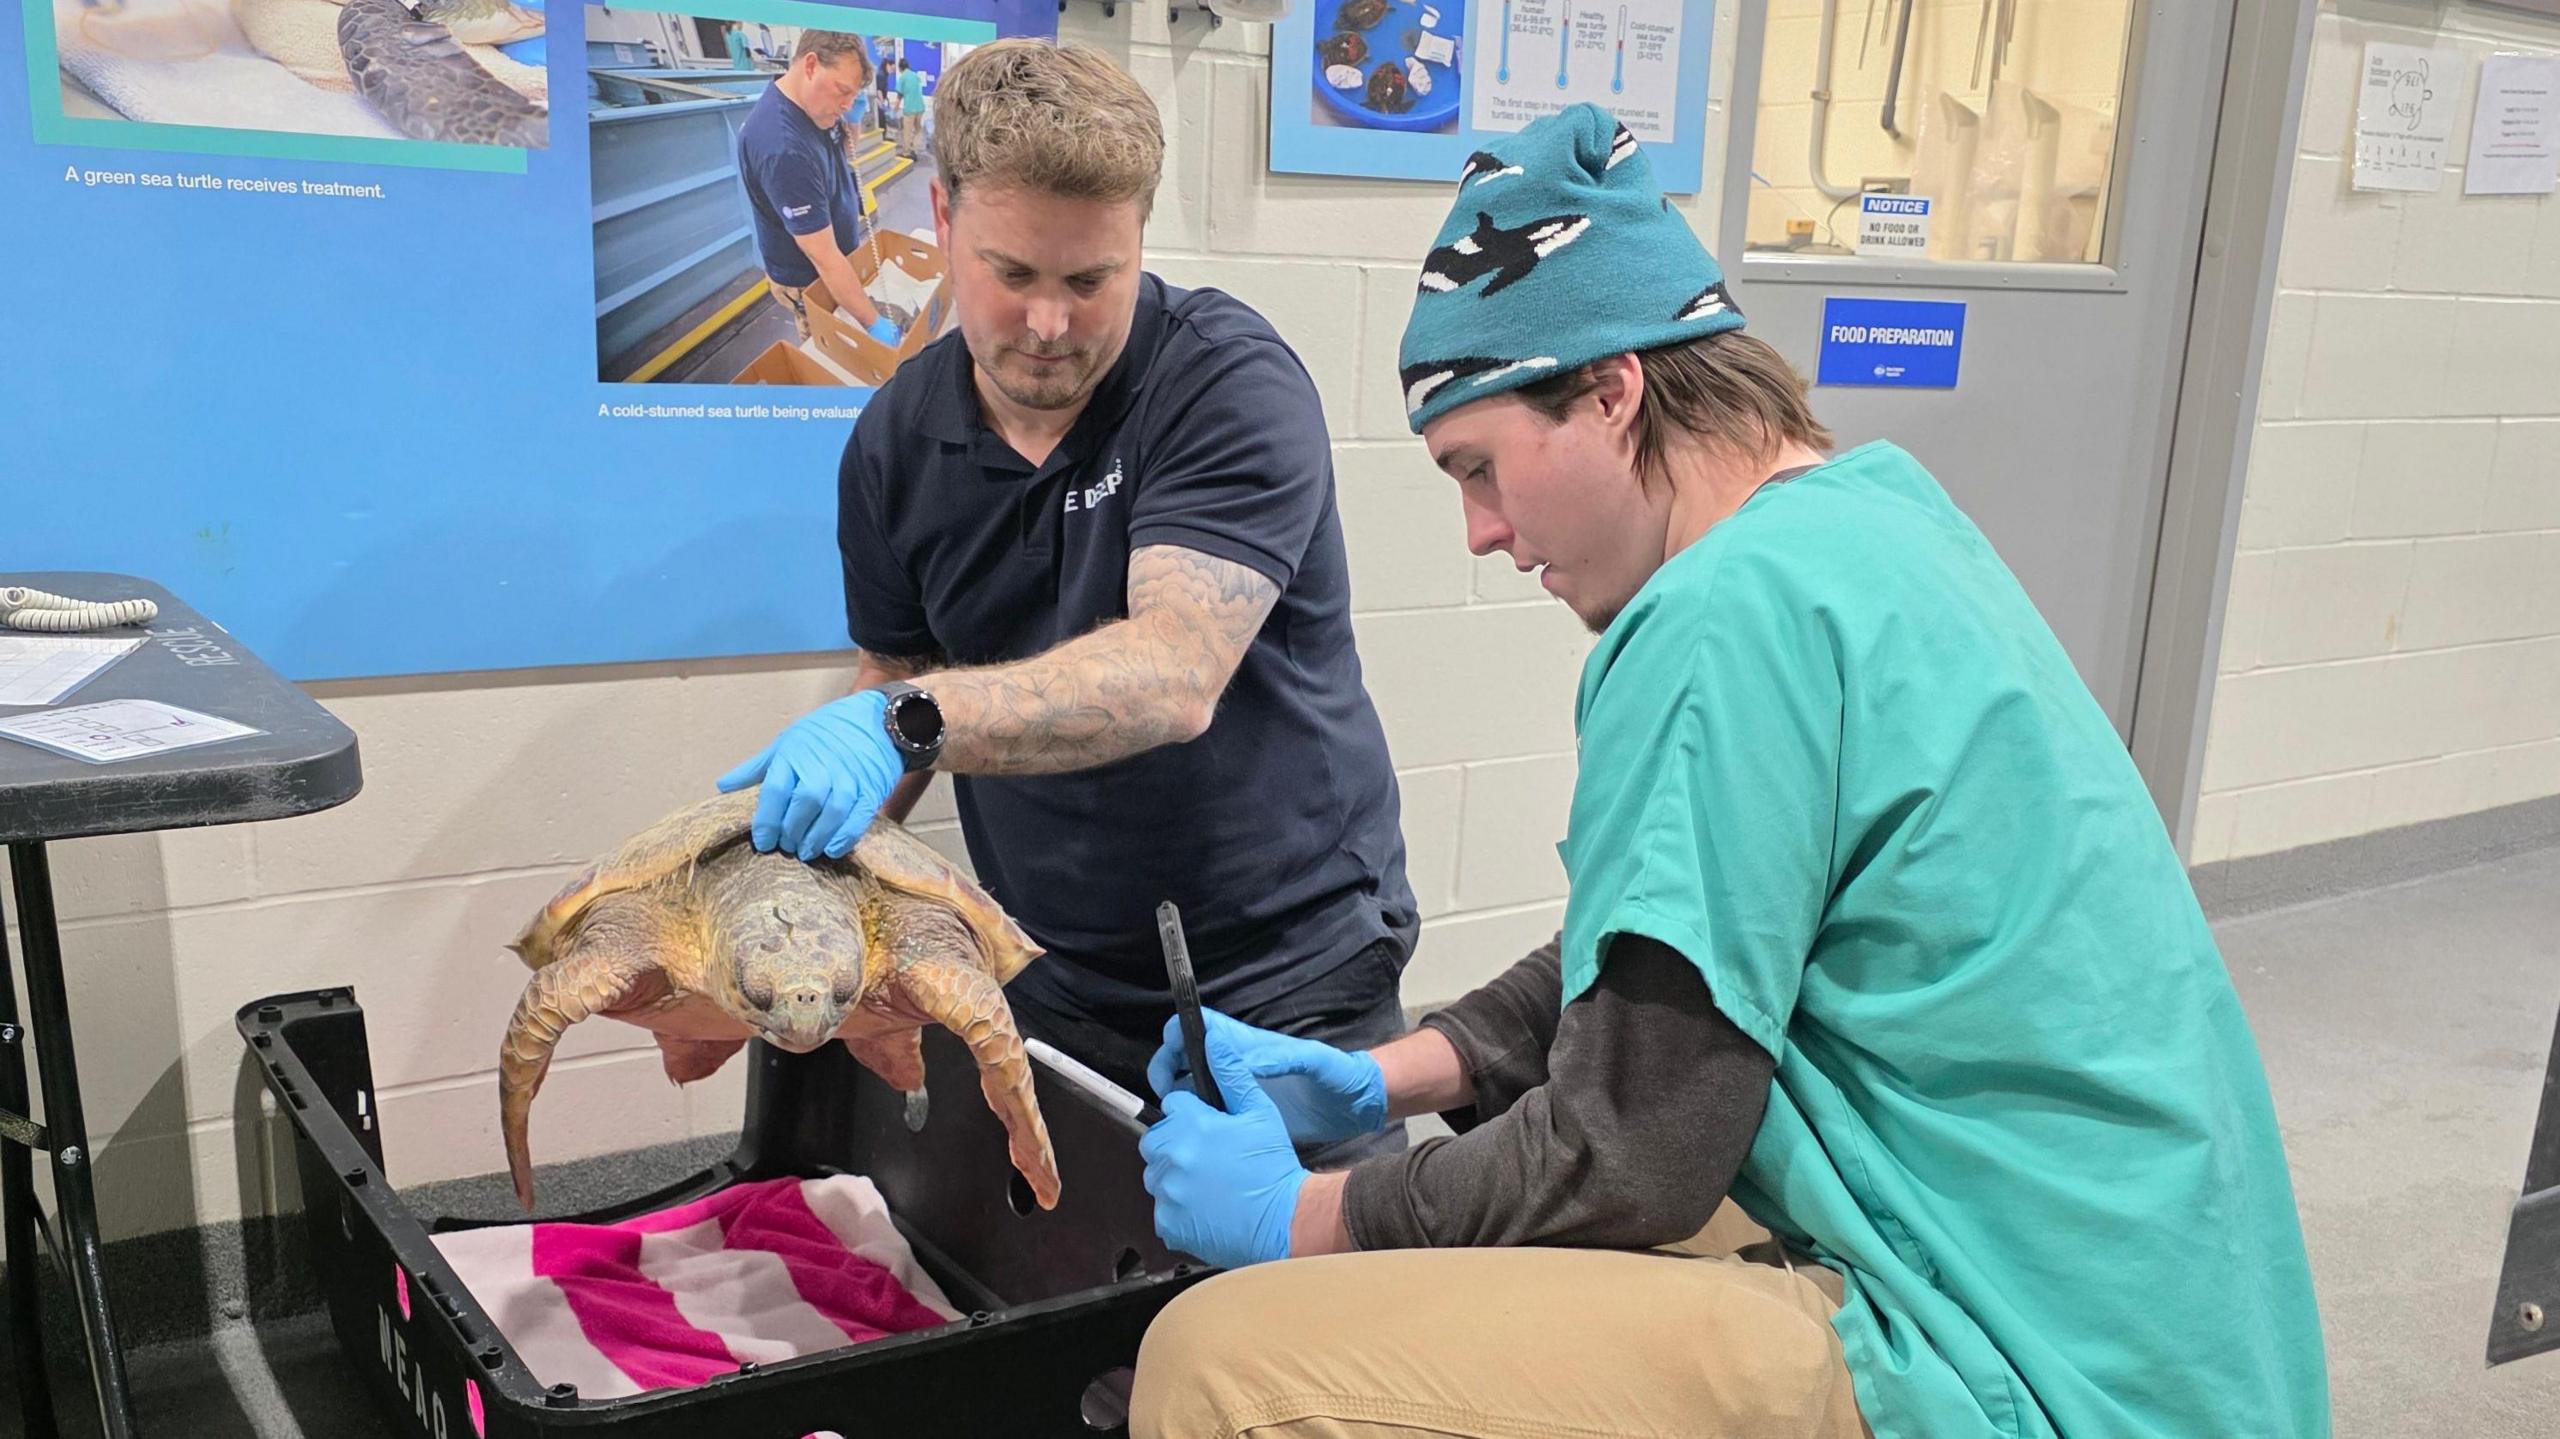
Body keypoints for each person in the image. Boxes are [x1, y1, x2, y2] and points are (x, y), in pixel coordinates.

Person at [1127, 104, 2330, 1439]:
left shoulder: (1712, 620)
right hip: (2166, 1324)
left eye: (1479, 467)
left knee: (1222, 1358)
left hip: (2022, 1356)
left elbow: (1631, 1144)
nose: (1479, 531)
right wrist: (1389, 1073)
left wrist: (1306, 1212)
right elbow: (1671, 948)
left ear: (1607, 389)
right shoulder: (1868, 519)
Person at [717, 39, 1419, 1163]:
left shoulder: (1222, 382)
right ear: (940, 217)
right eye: (1013, 274)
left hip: (1289, 970)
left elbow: (1173, 672)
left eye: (1090, 281)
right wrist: (791, 912)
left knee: (1297, 1313)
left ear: (1139, 235)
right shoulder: (896, 442)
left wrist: (903, 722)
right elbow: (894, 679)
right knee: (1085, 1300)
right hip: (1056, 971)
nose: (1049, 324)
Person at [736, 30, 899, 350]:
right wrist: (873, 322)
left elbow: (843, 151)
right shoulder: (784, 149)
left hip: (837, 263)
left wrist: (851, 112)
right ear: (810, 65)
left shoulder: (814, 105)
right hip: (810, 279)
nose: (846, 104)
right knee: (832, 353)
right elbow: (823, 256)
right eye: (842, 91)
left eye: (854, 96)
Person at [895, 56, 927, 159]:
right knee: (918, 129)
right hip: (920, 107)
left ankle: (906, 152)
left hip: (909, 109)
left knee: (907, 131)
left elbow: (899, 96)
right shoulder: (915, 75)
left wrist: (895, 108)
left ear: (900, 68)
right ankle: (915, 149)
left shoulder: (902, 78)